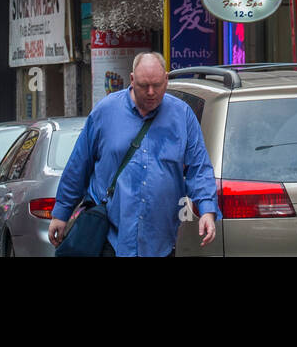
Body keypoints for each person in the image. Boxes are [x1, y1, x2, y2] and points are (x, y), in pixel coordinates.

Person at [49, 51, 219, 257]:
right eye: (143, 85)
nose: (150, 92)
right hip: (110, 234)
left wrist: (207, 210)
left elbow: (199, 168)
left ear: (166, 79)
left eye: (157, 85)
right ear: (131, 80)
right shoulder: (106, 112)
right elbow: (79, 164)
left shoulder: (182, 116)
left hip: (159, 240)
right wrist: (61, 213)